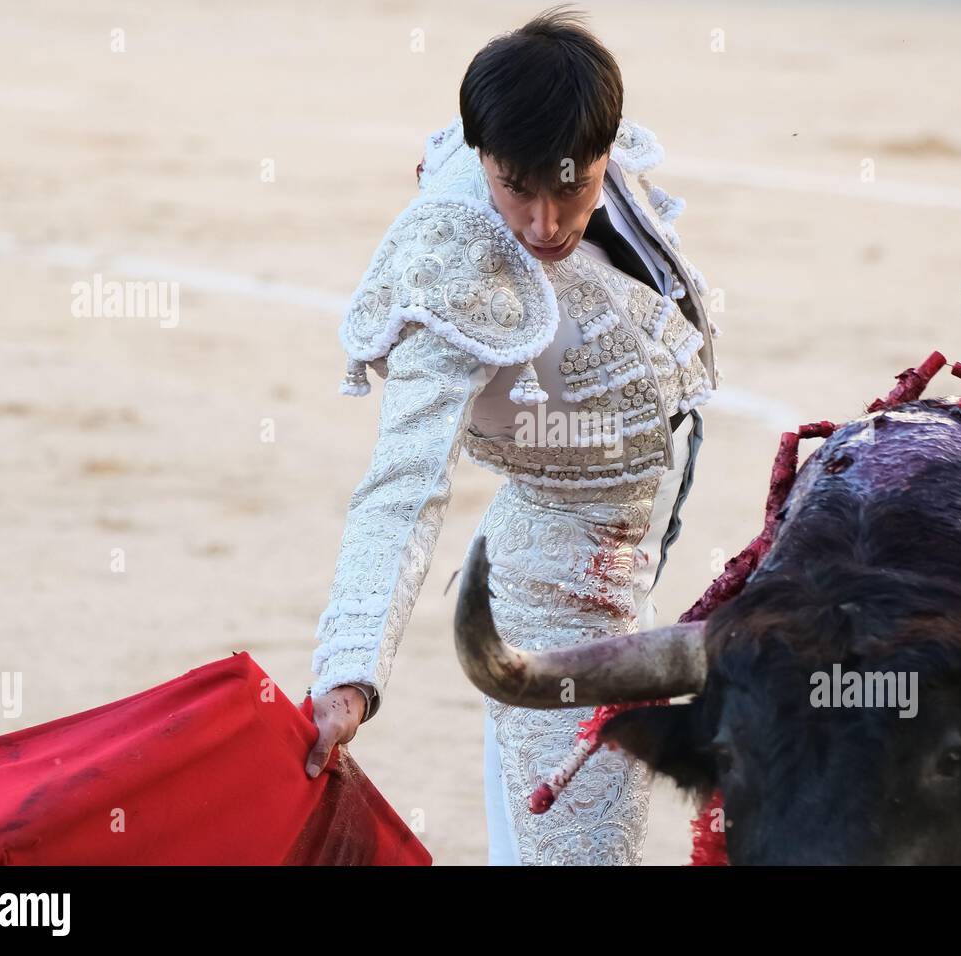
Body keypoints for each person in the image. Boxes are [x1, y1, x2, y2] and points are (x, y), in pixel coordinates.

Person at [304, 7, 721, 865]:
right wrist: (350, 671)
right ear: (484, 155)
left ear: (602, 148)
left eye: (569, 186)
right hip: (559, 598)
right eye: (515, 187)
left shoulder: (573, 141)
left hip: (612, 564)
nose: (541, 223)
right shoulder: (457, 266)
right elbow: (402, 482)